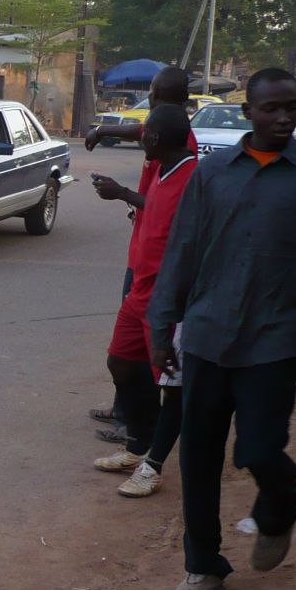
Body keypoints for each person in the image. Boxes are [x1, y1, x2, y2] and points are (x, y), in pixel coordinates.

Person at [150, 68, 296, 590]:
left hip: (277, 339)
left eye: (292, 106)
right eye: (271, 108)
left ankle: (279, 508)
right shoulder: (214, 173)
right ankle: (204, 564)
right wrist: (161, 322)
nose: (284, 117)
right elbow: (183, 249)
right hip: (207, 335)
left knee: (260, 448)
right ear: (249, 112)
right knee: (197, 458)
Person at [85, 67, 198, 435]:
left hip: (157, 274)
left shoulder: (183, 157)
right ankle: (129, 417)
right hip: (141, 259)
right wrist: (104, 129)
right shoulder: (161, 135)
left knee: (153, 357)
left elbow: (167, 211)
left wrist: (123, 193)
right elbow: (137, 130)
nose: (150, 98)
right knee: (123, 355)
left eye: (154, 92)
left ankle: (142, 434)